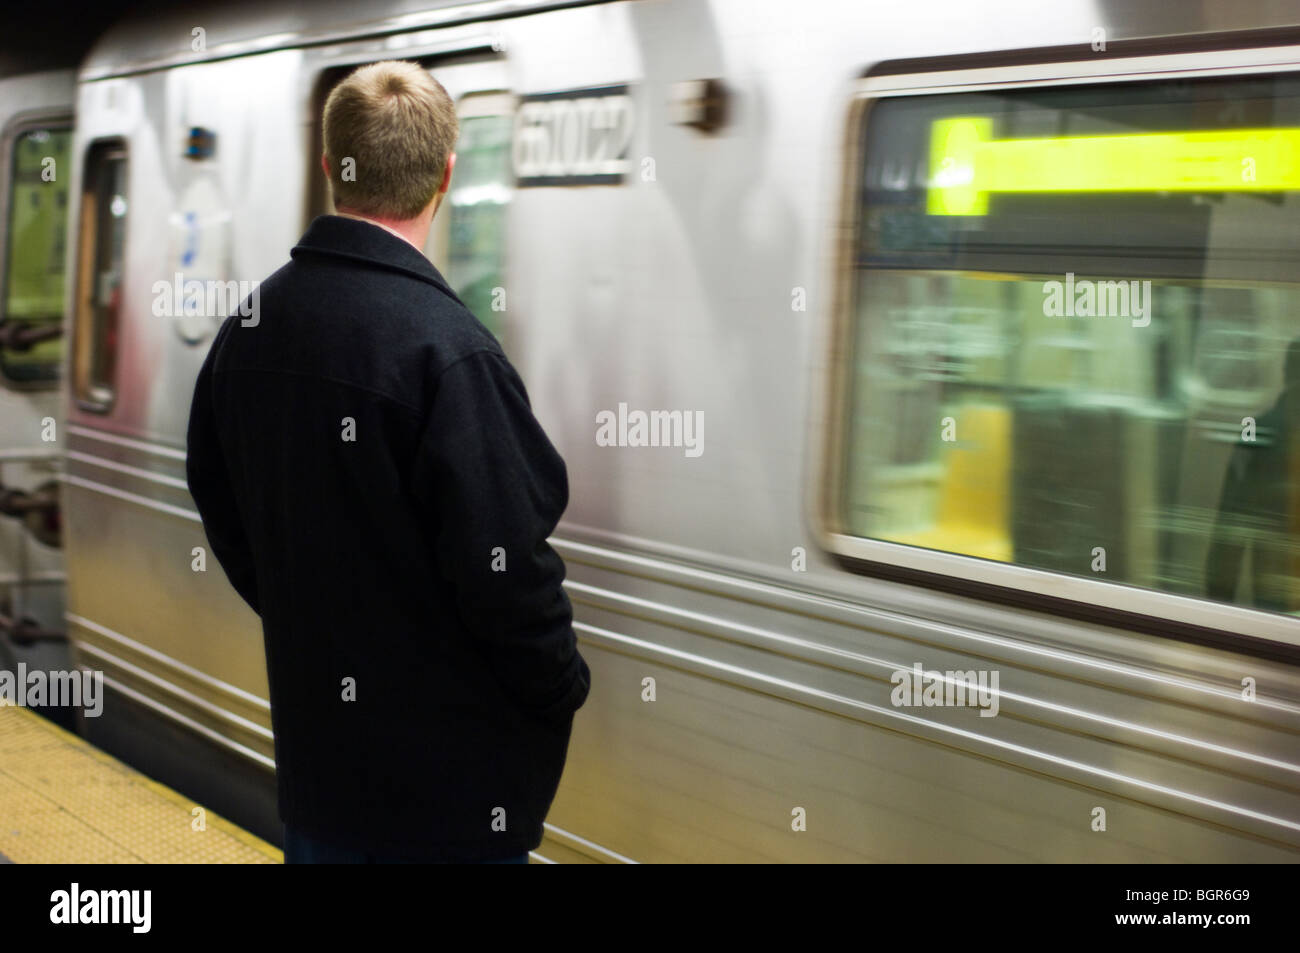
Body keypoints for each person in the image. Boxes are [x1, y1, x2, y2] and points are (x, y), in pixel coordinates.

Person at [185, 60, 590, 864]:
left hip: (320, 776)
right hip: (451, 803)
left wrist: (310, 621)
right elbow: (506, 570)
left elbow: (219, 497)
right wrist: (559, 685)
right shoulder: (448, 352)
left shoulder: (251, 328)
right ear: (446, 173)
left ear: (333, 166)